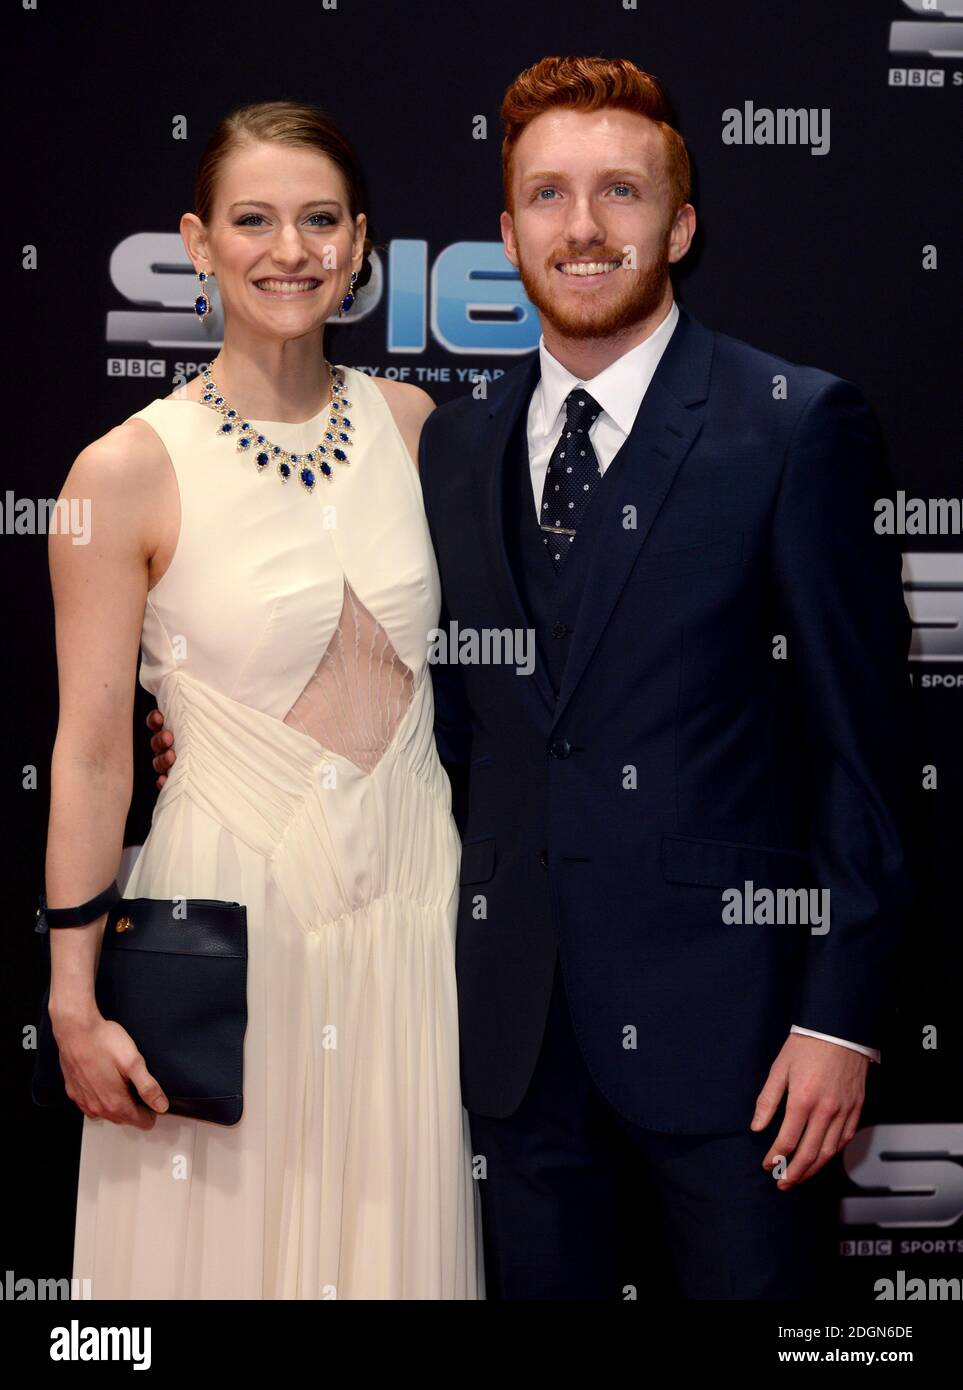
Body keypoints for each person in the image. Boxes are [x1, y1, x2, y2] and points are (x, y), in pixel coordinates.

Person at [151, 58, 915, 1300]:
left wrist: (839, 1019)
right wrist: (229, 726)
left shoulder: (793, 424)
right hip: (502, 1038)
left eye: (620, 191)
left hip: (740, 1050)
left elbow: (864, 757)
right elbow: (431, 709)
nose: (584, 226)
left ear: (681, 222)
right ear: (507, 233)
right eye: (549, 196)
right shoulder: (452, 444)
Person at [44, 99, 481, 1300]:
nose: (290, 250)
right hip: (230, 921)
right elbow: (89, 756)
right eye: (254, 220)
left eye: (320, 220)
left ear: (359, 246)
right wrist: (72, 998)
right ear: (197, 242)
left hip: (406, 901)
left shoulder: (413, 426)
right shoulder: (123, 469)